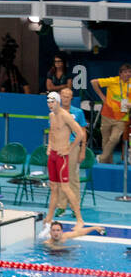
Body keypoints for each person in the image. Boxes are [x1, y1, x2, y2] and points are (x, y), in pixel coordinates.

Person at [44, 91, 87, 230]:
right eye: (48, 102)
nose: (50, 105)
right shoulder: (51, 115)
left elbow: (80, 133)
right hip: (53, 156)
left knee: (66, 187)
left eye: (52, 102)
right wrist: (50, 146)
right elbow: (52, 132)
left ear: (57, 102)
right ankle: (49, 218)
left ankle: (79, 219)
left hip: (62, 156)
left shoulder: (65, 116)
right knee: (54, 188)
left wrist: (69, 149)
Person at [91, 63, 130, 164]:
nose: (128, 74)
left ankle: (101, 158)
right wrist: (102, 97)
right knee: (105, 141)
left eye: (129, 72)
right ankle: (107, 165)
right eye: (125, 72)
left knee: (114, 138)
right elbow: (93, 82)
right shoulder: (112, 80)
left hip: (122, 117)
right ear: (120, 74)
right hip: (107, 115)